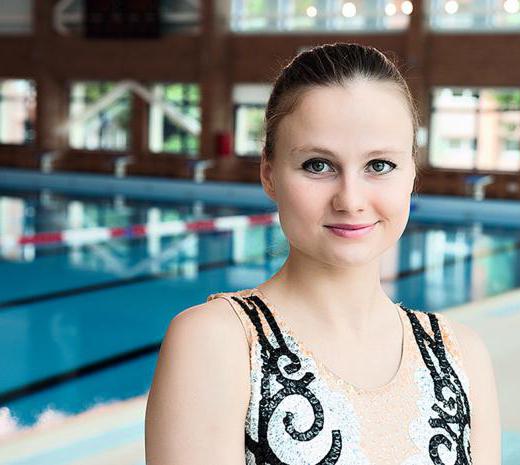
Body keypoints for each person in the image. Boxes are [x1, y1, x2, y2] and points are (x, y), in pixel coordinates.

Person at [145, 42, 501, 465]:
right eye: (318, 165)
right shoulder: (217, 345)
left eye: (379, 165)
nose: (350, 200)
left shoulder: (461, 358)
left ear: (411, 175)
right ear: (269, 174)